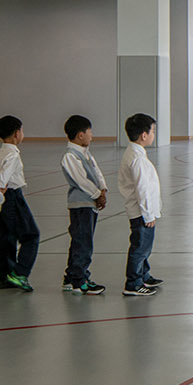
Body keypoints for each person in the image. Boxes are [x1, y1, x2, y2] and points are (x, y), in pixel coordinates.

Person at [0, 114, 36, 293]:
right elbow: (2, 182)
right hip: (13, 198)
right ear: (16, 133)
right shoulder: (12, 155)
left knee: (6, 237)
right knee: (31, 235)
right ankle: (20, 273)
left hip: (4, 199)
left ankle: (4, 277)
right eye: (22, 130)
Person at [59, 114, 107, 295]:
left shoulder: (86, 154)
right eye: (90, 132)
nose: (92, 135)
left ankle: (71, 276)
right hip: (81, 206)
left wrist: (103, 188)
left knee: (82, 240)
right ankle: (80, 280)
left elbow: (96, 172)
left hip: (91, 204)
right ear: (80, 135)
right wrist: (96, 194)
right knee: (83, 242)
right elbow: (81, 180)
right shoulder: (70, 156)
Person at [117, 113, 163, 297]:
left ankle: (144, 275)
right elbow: (142, 190)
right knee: (140, 247)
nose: (153, 135)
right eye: (152, 131)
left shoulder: (135, 153)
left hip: (141, 212)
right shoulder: (137, 159)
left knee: (144, 245)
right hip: (141, 213)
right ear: (144, 135)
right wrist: (148, 214)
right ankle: (133, 282)